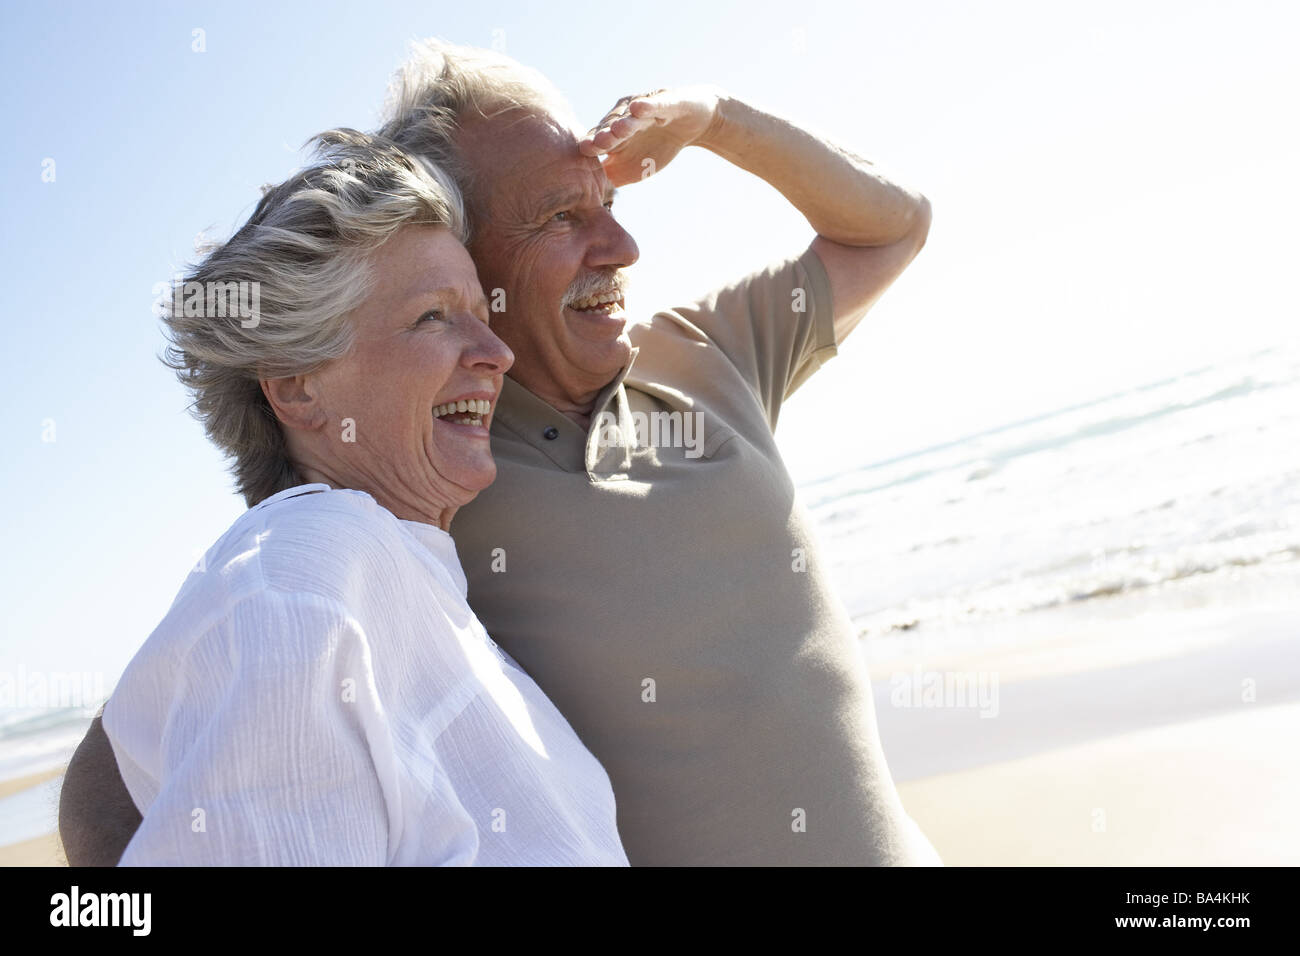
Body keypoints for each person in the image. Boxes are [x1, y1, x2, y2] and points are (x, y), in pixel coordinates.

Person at [63, 40, 940, 866]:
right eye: (563, 216)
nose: (622, 248)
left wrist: (714, 118)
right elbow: (128, 767)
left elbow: (893, 226)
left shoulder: (708, 355)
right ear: (464, 255)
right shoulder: (417, 475)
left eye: (610, 205)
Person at [81, 129, 628, 866]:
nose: (496, 353)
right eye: (433, 316)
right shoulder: (305, 575)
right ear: (298, 386)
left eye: (480, 313)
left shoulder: (386, 579)